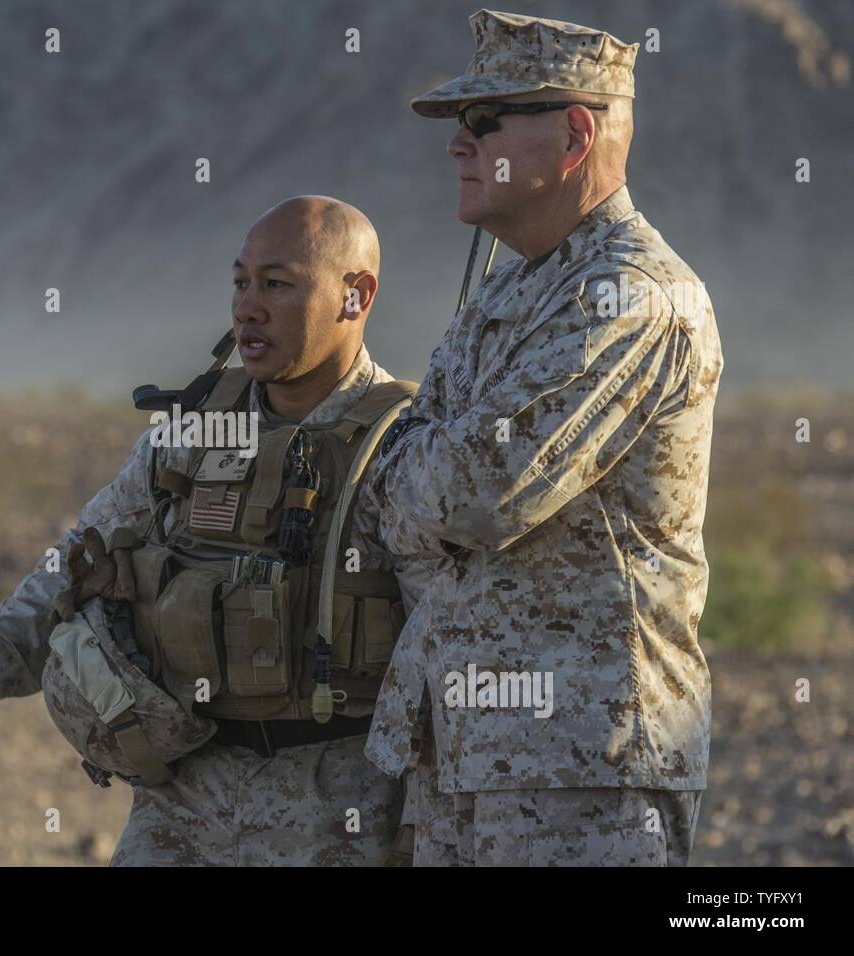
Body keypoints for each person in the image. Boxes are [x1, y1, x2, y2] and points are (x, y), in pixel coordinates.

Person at [0, 195, 430, 865]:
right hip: (184, 797)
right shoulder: (191, 433)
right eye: (240, 282)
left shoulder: (402, 446)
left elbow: (444, 644)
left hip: (336, 808)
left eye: (277, 284)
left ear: (355, 296)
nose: (247, 306)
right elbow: (78, 558)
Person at [365, 10, 724, 866]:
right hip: (466, 754)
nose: (457, 144)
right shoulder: (512, 293)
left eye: (482, 120)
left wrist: (413, 471)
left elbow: (478, 492)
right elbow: (401, 472)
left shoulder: (631, 299)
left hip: (585, 768)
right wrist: (414, 471)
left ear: (573, 136)